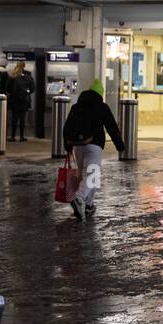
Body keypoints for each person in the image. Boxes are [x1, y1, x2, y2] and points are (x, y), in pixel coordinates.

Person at [62, 79, 126, 220]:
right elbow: (112, 127)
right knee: (92, 175)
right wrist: (120, 145)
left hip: (77, 146)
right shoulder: (101, 106)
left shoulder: (76, 107)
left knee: (87, 174)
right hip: (94, 145)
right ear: (100, 94)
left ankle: (89, 205)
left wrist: (67, 146)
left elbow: (67, 127)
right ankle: (78, 199)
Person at [8, 63, 34, 141]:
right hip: (24, 100)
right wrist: (27, 93)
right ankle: (22, 136)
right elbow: (33, 88)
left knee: (14, 119)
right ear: (24, 66)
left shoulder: (13, 74)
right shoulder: (28, 75)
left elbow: (8, 87)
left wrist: (12, 94)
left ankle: (12, 137)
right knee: (22, 119)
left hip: (15, 100)